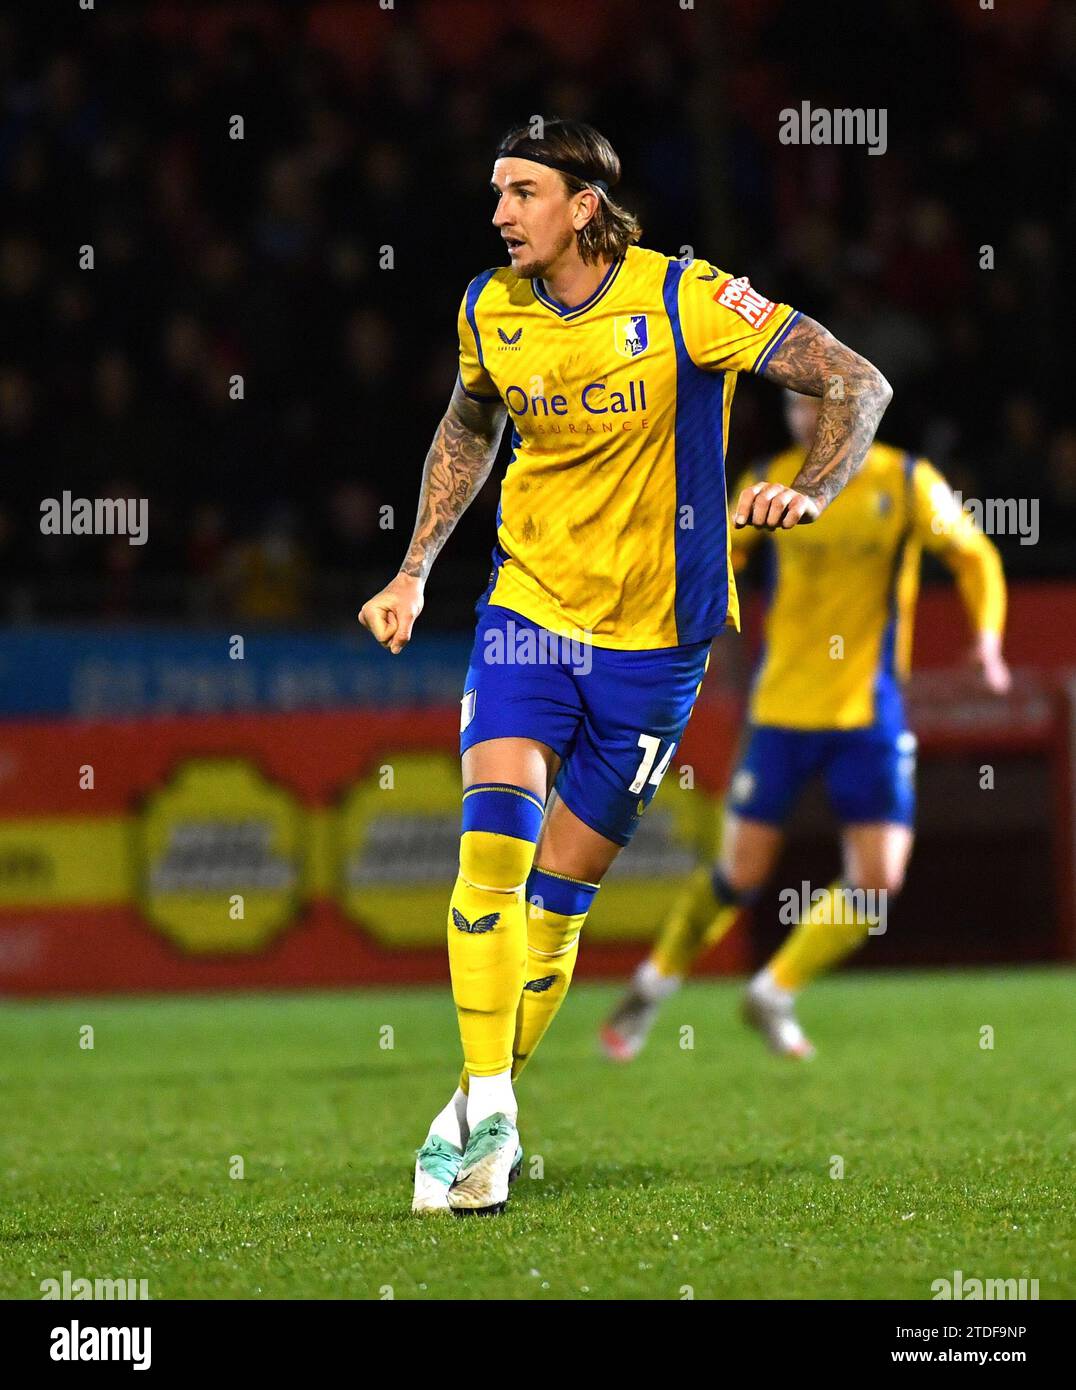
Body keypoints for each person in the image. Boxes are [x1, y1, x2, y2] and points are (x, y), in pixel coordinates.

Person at [358, 119, 892, 1214]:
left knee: (556, 906)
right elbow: (467, 429)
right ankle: (495, 1111)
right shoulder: (486, 310)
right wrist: (413, 568)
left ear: (583, 206)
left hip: (655, 647)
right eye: (495, 191)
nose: (499, 212)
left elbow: (857, 382)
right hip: (526, 617)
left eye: (521, 192)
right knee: (489, 852)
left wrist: (813, 489)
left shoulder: (682, 299)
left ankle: (470, 1104)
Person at [601, 390, 1008, 1063]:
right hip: (783, 709)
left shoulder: (904, 481)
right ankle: (653, 984)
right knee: (739, 876)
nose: (805, 418)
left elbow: (975, 557)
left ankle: (775, 991)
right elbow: (713, 558)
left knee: (877, 883)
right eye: (796, 406)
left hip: (867, 712)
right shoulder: (768, 481)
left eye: (818, 406)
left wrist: (987, 640)